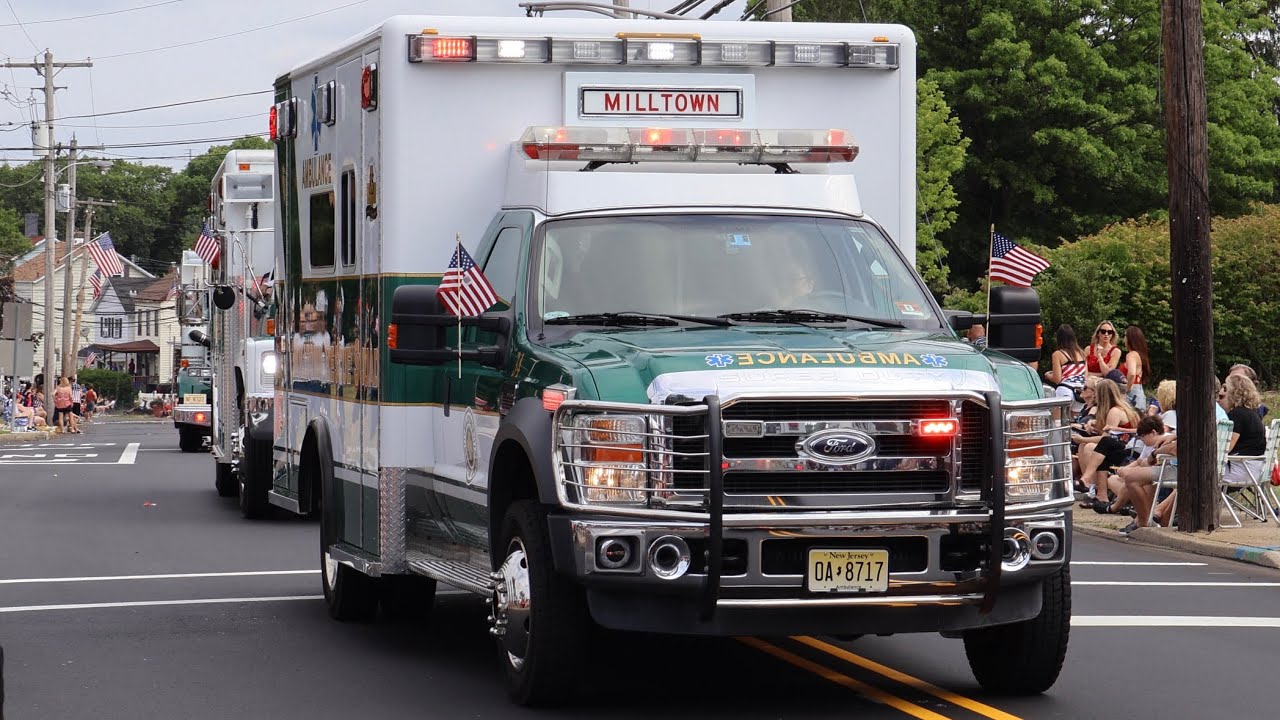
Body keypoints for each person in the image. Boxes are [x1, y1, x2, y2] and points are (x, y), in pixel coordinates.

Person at [1045, 324, 1087, 401]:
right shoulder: (1082, 353)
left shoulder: (1058, 354)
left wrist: (1048, 375)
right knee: (1078, 413)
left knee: (1058, 413)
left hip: (1065, 390)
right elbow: (1086, 375)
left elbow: (1057, 379)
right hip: (1080, 391)